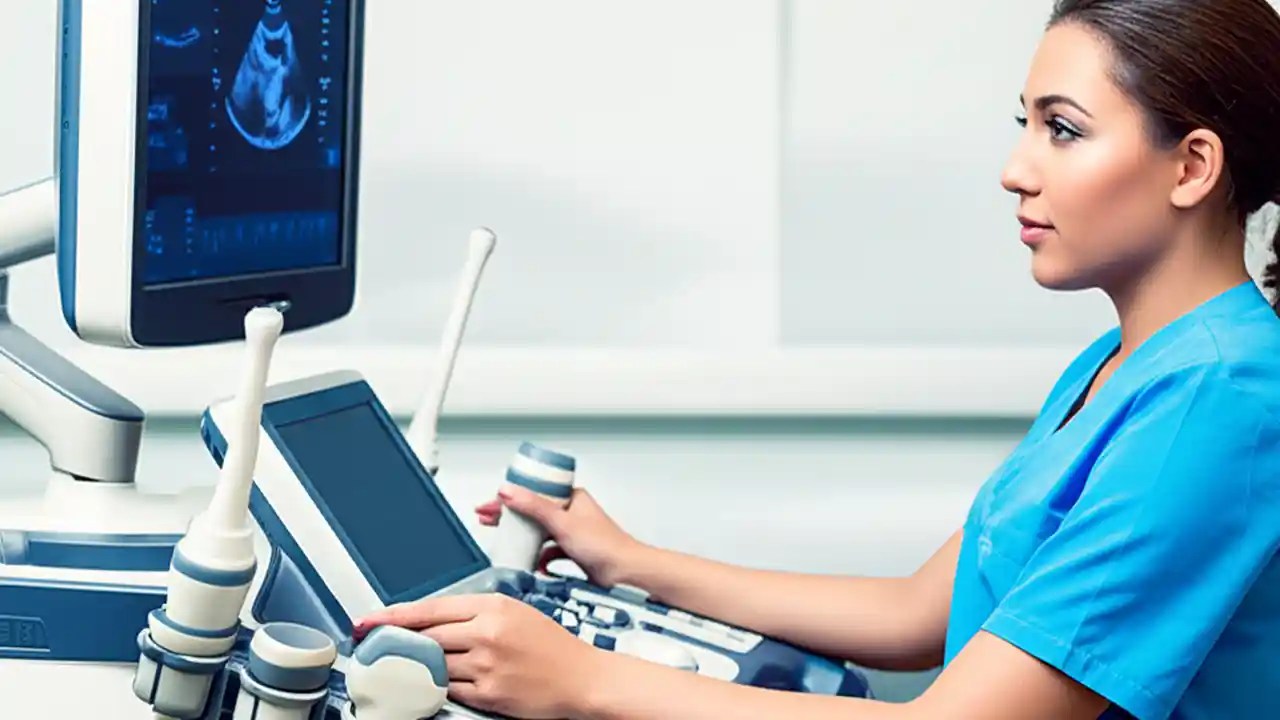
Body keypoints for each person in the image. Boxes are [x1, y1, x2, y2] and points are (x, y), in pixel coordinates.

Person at [354, 1, 1280, 717]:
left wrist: (582, 682)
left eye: (1062, 129)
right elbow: (921, 613)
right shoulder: (1118, 364)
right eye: (1023, 123)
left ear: (1191, 166)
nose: (1015, 167)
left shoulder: (1224, 400)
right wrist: (633, 562)